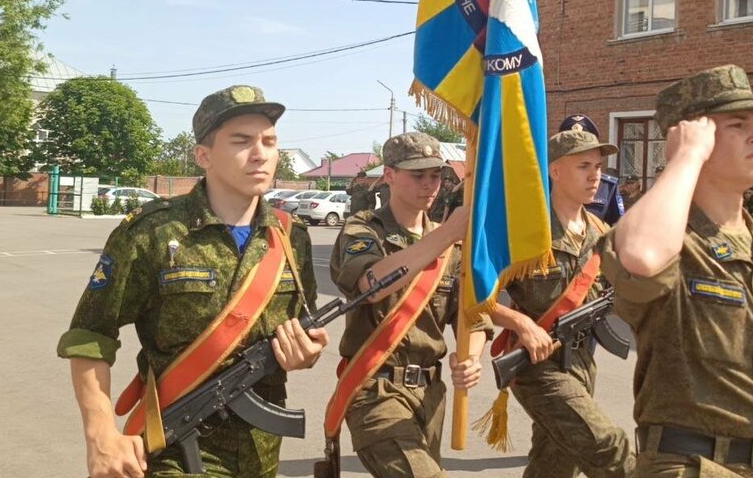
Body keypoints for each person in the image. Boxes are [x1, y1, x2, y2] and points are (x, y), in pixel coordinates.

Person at [57, 85, 329, 478]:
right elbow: (89, 335)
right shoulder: (153, 232)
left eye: (270, 141)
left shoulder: (290, 237)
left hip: (262, 453)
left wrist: (307, 352)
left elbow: (304, 330)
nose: (261, 154)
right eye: (242, 141)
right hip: (175, 447)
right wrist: (100, 434)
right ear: (204, 156)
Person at [601, 65, 753, 477]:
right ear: (695, 136)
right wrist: (686, 156)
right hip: (688, 465)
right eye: (738, 125)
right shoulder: (671, 236)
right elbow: (641, 256)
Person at [327, 131, 491, 477]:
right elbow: (371, 284)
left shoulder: (452, 247)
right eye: (418, 175)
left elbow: (473, 319)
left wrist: (472, 357)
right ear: (389, 175)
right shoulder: (364, 230)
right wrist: (446, 234)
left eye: (436, 175)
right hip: (375, 388)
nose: (430, 184)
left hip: (430, 394)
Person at [489, 129, 635, 478]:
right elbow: (477, 296)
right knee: (606, 445)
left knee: (555, 463)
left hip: (582, 362)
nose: (595, 174)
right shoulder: (523, 230)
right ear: (555, 171)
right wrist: (521, 324)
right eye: (583, 165)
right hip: (536, 363)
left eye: (598, 166)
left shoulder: (600, 232)